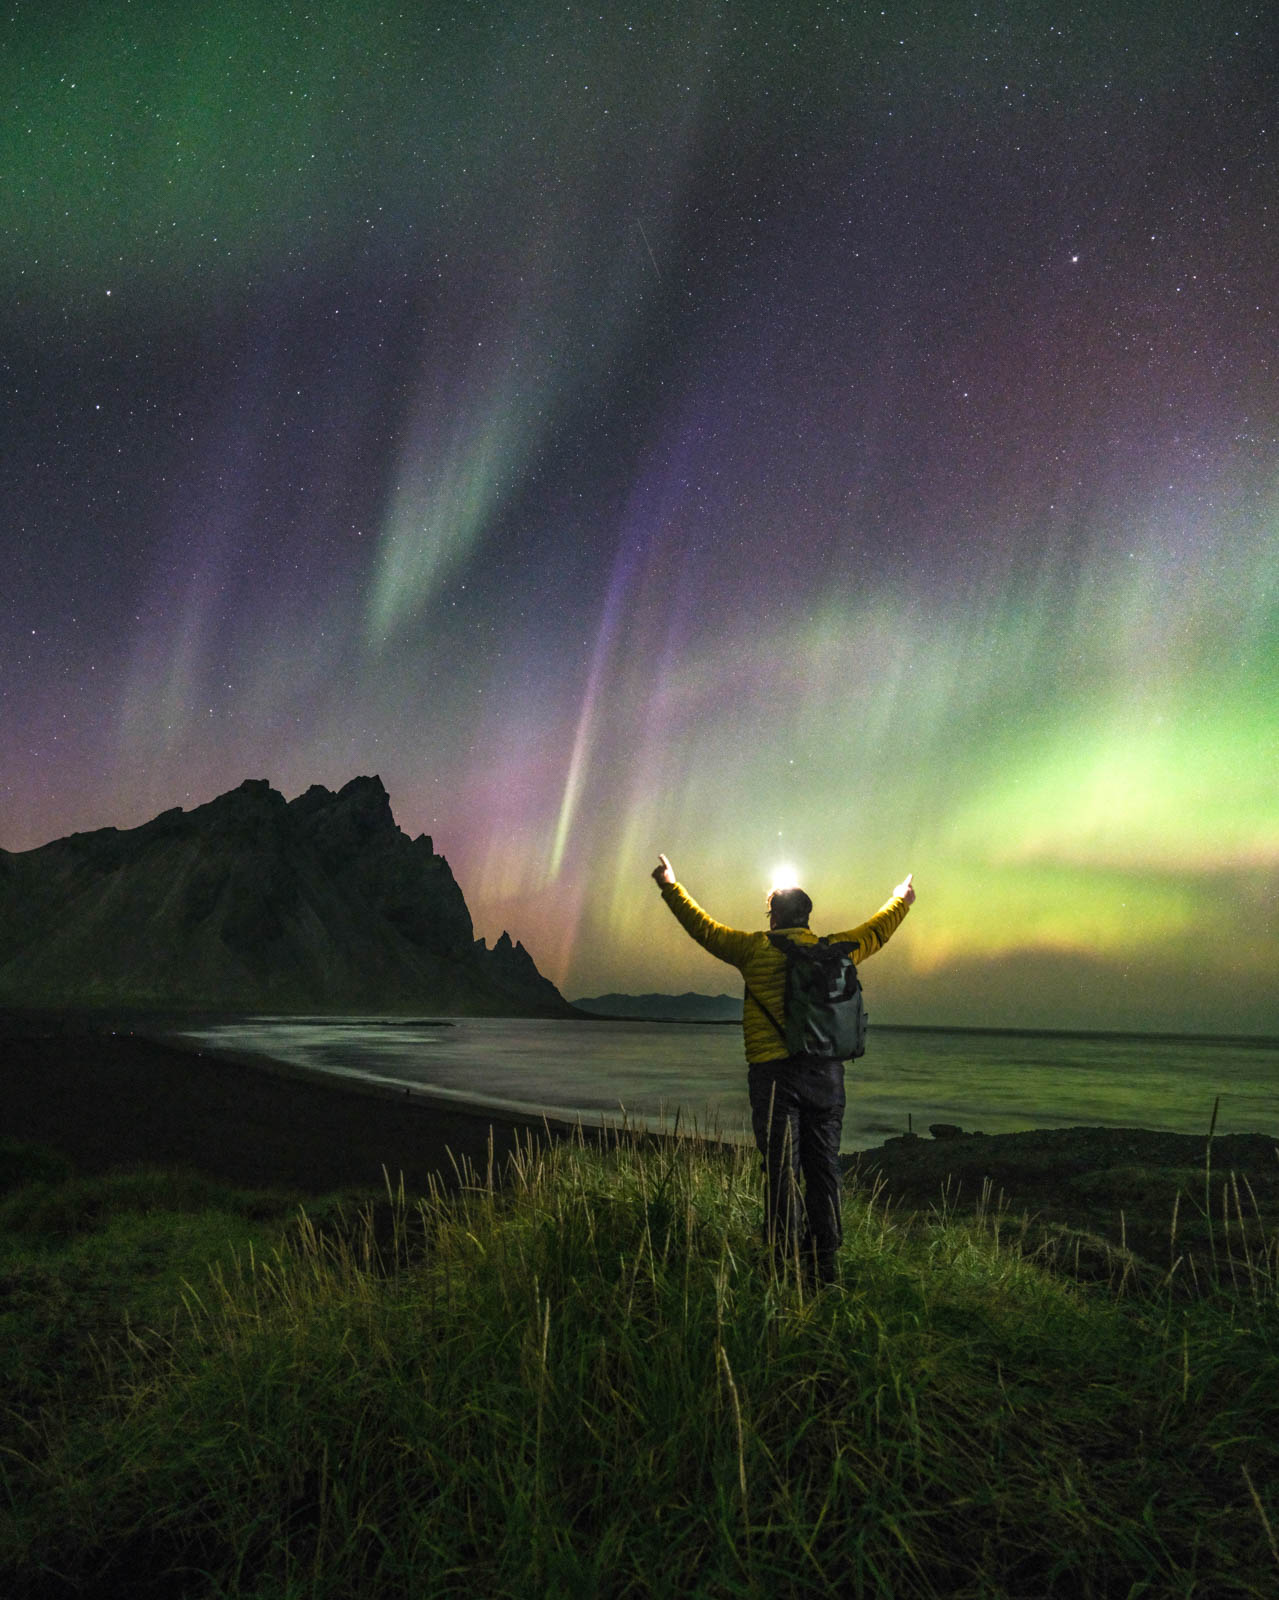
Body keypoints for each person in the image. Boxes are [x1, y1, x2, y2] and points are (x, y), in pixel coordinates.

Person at [651, 854, 916, 1287]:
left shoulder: (754, 948)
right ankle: (825, 1266)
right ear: (808, 917)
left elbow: (702, 927)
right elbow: (876, 931)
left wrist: (670, 884)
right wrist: (900, 899)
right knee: (824, 1169)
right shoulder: (833, 949)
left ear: (773, 917)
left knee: (781, 1172)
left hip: (774, 1075)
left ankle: (784, 1265)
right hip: (826, 1076)